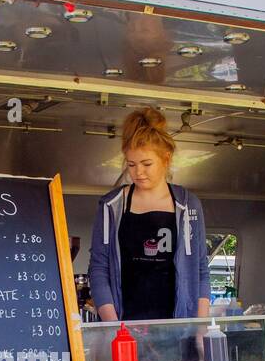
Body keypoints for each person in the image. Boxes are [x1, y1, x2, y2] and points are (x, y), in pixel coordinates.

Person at [89, 107, 211, 325]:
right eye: (132, 165)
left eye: (146, 164)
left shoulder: (188, 204)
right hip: (125, 325)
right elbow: (99, 268)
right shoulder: (111, 205)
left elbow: (200, 270)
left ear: (166, 159)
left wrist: (200, 330)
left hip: (178, 328)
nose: (138, 173)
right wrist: (114, 327)